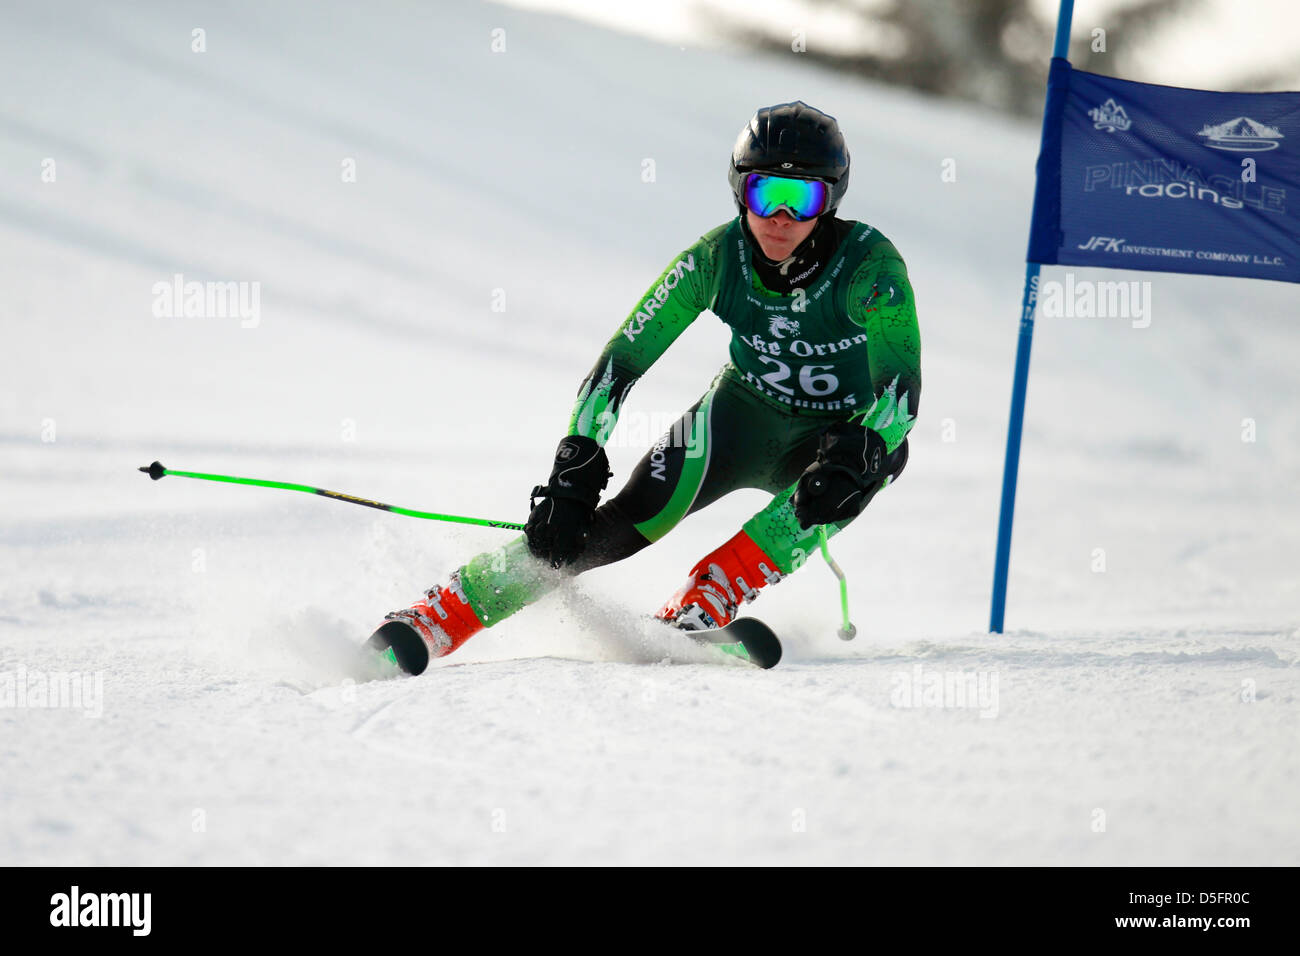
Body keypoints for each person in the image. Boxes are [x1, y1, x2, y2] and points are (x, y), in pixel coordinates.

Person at [375, 101, 921, 672]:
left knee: (867, 464)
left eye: (802, 198)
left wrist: (865, 448)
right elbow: (620, 362)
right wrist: (577, 461)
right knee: (607, 528)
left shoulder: (870, 269)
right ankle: (440, 614)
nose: (780, 217)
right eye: (766, 193)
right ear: (740, 192)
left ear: (830, 201)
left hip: (830, 439)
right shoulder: (713, 260)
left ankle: (702, 604)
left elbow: (900, 391)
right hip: (738, 418)